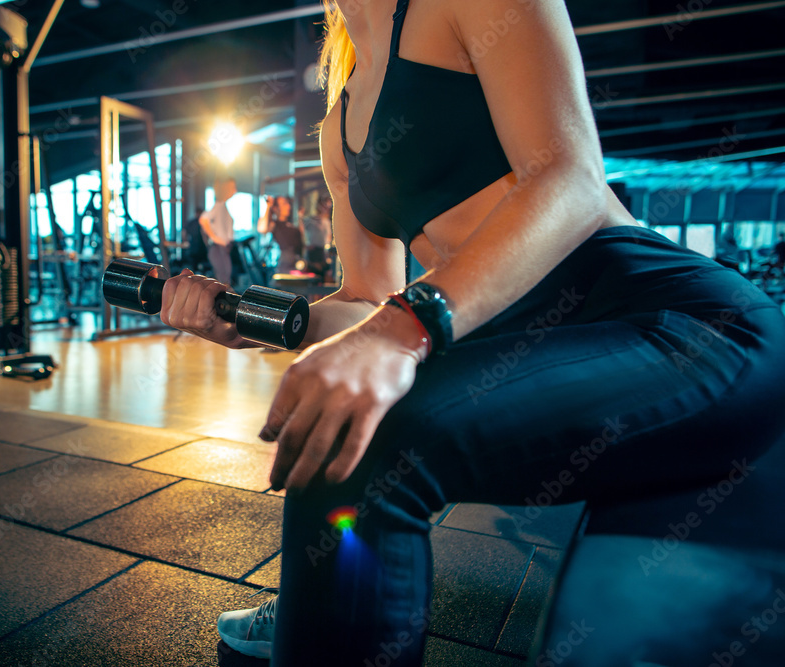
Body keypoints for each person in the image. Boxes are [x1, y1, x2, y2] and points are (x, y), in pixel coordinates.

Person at [160, 0, 785, 664]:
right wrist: (249, 320)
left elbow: (569, 177)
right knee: (346, 433)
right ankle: (324, 605)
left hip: (683, 326)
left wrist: (402, 327)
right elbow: (366, 299)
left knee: (374, 442)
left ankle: (321, 613)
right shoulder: (340, 122)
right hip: (533, 350)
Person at [198, 177, 236, 285]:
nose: (235, 191)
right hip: (218, 248)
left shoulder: (223, 206)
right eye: (232, 187)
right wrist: (215, 238)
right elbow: (203, 219)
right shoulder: (219, 205)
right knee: (223, 281)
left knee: (225, 280)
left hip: (223, 248)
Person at [258, 195, 304, 274]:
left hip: (293, 268)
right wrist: (268, 206)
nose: (288, 206)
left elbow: (302, 242)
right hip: (276, 269)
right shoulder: (273, 225)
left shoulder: (292, 227)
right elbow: (262, 228)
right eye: (284, 204)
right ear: (275, 208)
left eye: (288, 203)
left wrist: (300, 218)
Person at [302, 194, 333, 279]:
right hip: (312, 252)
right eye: (325, 206)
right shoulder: (310, 221)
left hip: (324, 253)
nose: (326, 209)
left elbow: (328, 238)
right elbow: (302, 233)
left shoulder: (328, 222)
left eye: (328, 206)